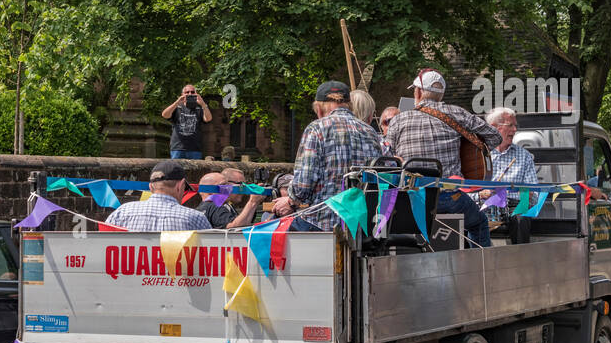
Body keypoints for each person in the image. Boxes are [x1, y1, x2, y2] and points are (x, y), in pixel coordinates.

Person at [387, 70, 501, 248]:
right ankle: (481, 269)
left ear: (417, 92)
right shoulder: (457, 113)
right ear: (441, 95)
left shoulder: (398, 120)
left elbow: (389, 156)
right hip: (450, 196)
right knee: (479, 223)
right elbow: (495, 137)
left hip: (412, 199)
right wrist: (469, 153)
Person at [272, 80, 384, 230]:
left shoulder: (317, 128)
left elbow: (303, 185)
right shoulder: (370, 132)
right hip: (361, 224)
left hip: (323, 221)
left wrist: (290, 201)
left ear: (319, 108)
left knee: (270, 235)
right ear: (349, 105)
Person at [104, 160, 211, 232]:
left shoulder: (122, 212)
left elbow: (102, 245)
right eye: (184, 189)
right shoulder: (196, 218)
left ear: (151, 187)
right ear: (180, 185)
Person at [477, 108, 539, 217]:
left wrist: (526, 195)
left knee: (521, 218)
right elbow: (463, 193)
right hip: (483, 207)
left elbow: (533, 195)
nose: (515, 130)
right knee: (471, 217)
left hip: (514, 207)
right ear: (494, 127)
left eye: (515, 126)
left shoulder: (524, 156)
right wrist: (480, 195)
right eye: (510, 125)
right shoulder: (478, 155)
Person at [160, 83, 213, 160]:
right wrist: (178, 102)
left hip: (195, 149)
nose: (190, 94)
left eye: (192, 92)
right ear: (182, 94)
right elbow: (164, 115)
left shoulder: (200, 108)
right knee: (176, 171)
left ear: (196, 94)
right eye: (187, 92)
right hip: (178, 148)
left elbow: (208, 119)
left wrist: (203, 104)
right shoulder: (177, 107)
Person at [198, 169, 264, 229]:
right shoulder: (216, 206)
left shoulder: (204, 208)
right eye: (223, 185)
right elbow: (234, 229)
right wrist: (253, 202)